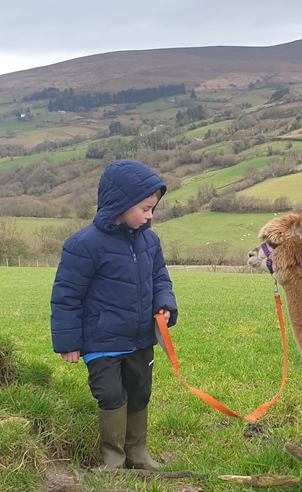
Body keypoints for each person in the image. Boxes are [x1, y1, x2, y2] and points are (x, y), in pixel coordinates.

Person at [50, 159, 177, 470]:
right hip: (101, 341)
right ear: (121, 204)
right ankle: (113, 460)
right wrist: (68, 342)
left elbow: (160, 278)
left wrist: (164, 305)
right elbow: (66, 296)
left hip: (140, 339)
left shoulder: (150, 241)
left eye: (152, 209)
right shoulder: (83, 245)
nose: (150, 215)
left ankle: (138, 455)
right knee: (110, 394)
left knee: (140, 392)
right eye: (145, 208)